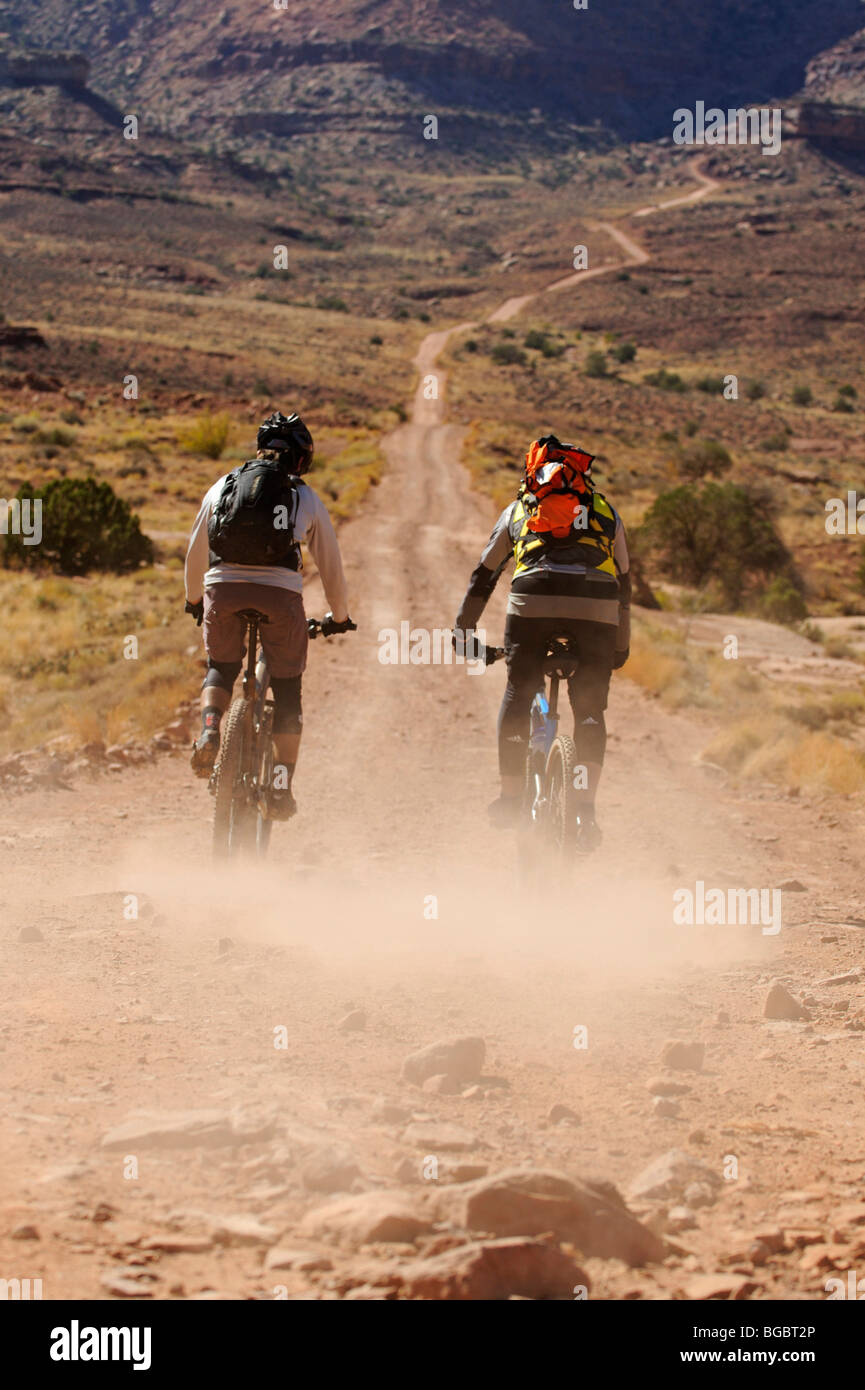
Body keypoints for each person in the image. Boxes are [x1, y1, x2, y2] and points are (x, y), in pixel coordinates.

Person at [453, 433, 630, 849]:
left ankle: (512, 798)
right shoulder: (606, 511)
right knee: (589, 710)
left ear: (532, 474)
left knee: (519, 691)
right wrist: (620, 646)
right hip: (597, 608)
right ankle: (584, 812)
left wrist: (464, 630)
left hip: (533, 602)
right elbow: (624, 583)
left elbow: (485, 574)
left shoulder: (519, 508)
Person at [184, 410, 354, 819]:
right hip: (280, 597)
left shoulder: (224, 485)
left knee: (221, 668)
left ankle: (210, 729)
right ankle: (280, 787)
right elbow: (330, 565)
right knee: (288, 690)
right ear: (301, 459)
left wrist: (195, 600)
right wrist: (339, 616)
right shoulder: (304, 496)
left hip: (221, 589)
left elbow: (195, 550)